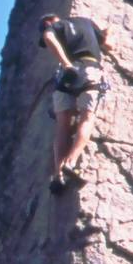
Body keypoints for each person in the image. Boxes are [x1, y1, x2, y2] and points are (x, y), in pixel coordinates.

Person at [38, 12, 113, 194]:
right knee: (87, 118)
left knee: (63, 126)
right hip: (89, 69)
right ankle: (70, 163)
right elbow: (109, 45)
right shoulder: (86, 23)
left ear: (49, 22)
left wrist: (66, 64)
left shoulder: (55, 27)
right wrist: (109, 31)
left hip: (66, 75)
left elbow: (48, 36)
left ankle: (58, 174)